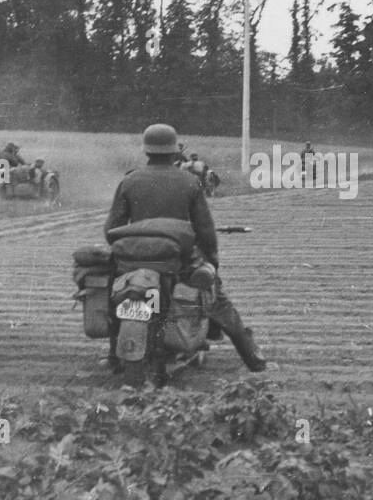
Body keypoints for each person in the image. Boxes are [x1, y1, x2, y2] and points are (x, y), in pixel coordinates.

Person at [105, 123, 267, 381]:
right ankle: (253, 358)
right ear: (174, 152)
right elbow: (205, 230)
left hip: (133, 263)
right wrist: (213, 260)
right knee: (217, 297)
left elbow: (111, 228)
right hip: (176, 261)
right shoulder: (190, 182)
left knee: (115, 294)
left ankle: (114, 355)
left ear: (146, 151)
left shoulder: (129, 180)